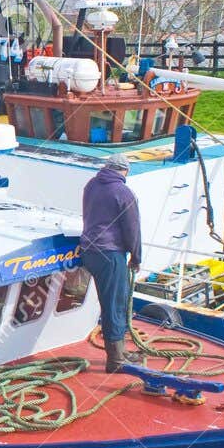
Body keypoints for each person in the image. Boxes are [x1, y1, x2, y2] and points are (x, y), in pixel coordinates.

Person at [80, 155, 142, 372]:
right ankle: (116, 361)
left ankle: (121, 352)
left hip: (89, 250)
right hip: (110, 253)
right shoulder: (123, 193)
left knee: (111, 303)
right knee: (115, 305)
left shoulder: (91, 185)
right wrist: (136, 257)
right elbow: (132, 229)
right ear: (125, 171)